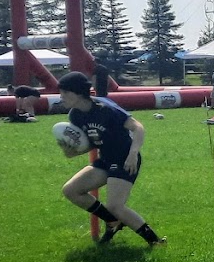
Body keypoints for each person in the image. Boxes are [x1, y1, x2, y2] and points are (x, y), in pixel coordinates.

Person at [56, 71, 165, 247]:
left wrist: (132, 154)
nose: (61, 97)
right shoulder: (75, 116)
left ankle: (155, 241)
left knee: (115, 205)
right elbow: (92, 142)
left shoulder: (105, 108)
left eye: (65, 93)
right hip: (105, 159)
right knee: (71, 190)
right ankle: (113, 222)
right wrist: (73, 152)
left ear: (78, 92)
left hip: (124, 158)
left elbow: (138, 128)